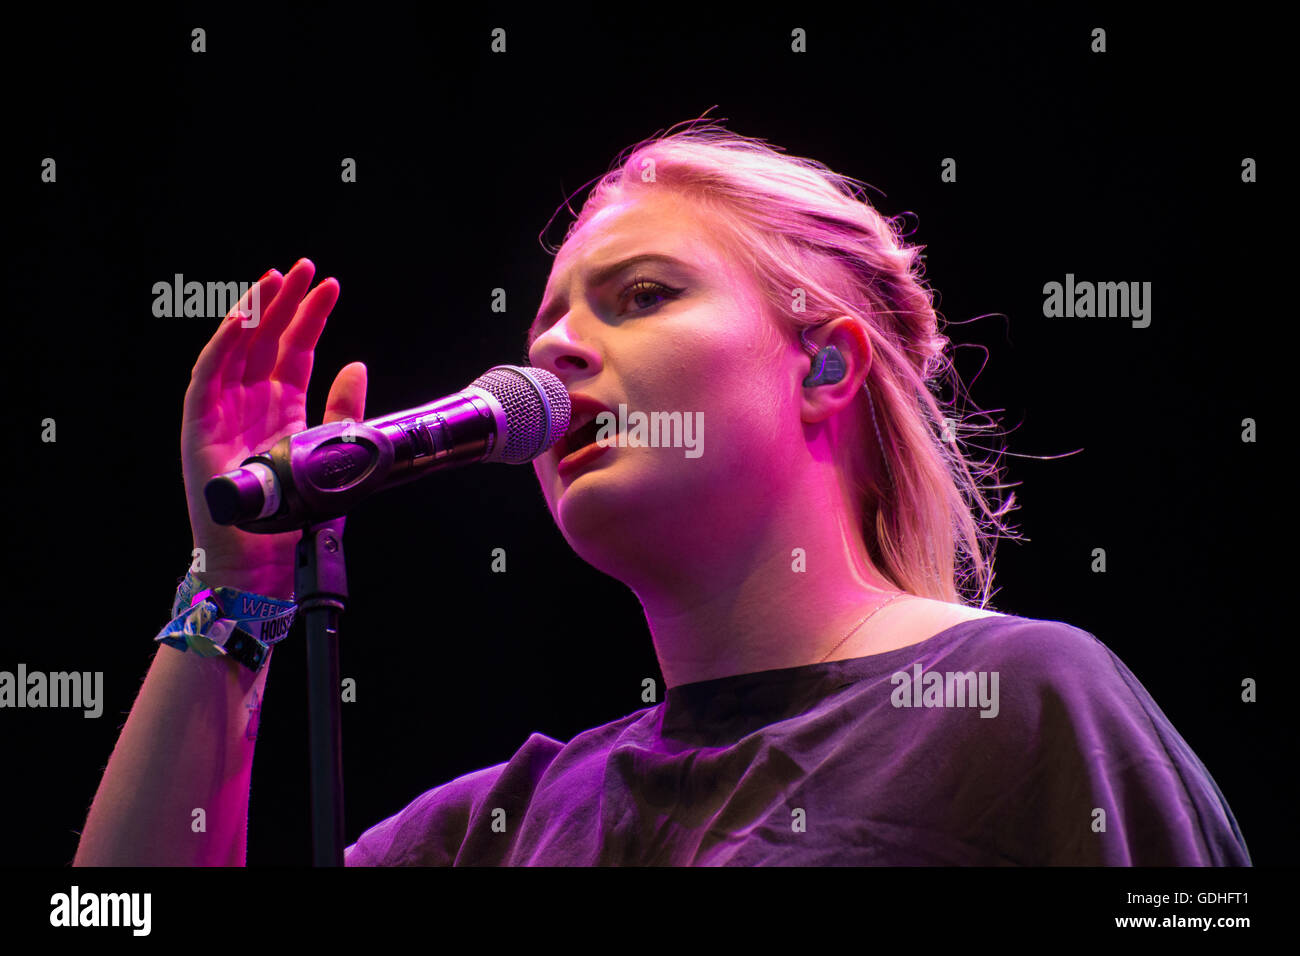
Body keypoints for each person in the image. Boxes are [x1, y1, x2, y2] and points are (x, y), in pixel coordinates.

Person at [74, 120, 1251, 867]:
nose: (556, 352)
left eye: (641, 295)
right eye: (546, 325)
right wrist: (234, 585)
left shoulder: (1023, 706)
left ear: (824, 365)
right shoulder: (500, 825)